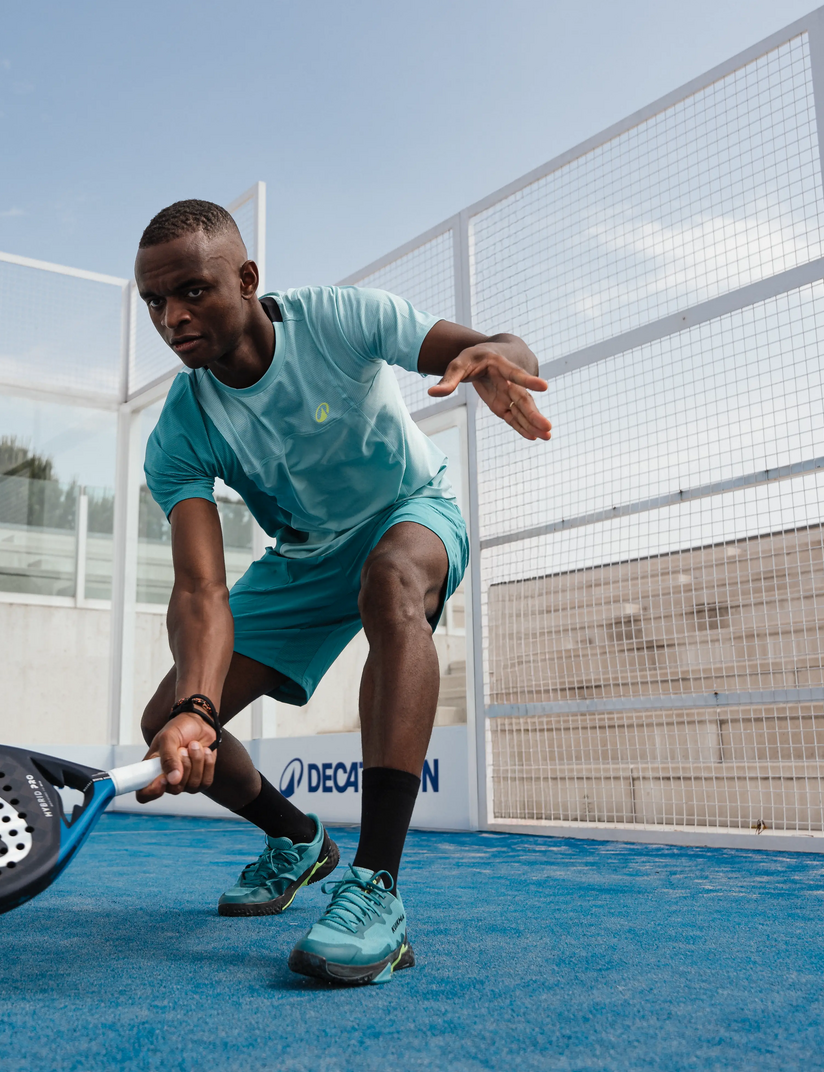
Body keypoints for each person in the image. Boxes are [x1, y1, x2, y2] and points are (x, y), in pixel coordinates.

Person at [132, 199, 550, 985]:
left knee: (390, 581)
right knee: (167, 716)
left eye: (191, 290)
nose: (171, 317)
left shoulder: (339, 320)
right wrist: (198, 709)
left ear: (247, 279)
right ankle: (298, 840)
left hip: (409, 513)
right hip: (306, 558)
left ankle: (377, 889)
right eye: (155, 301)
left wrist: (497, 358)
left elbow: (496, 341)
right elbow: (200, 589)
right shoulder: (182, 427)